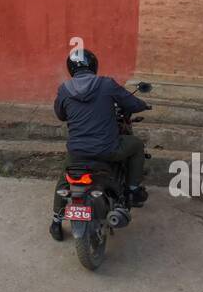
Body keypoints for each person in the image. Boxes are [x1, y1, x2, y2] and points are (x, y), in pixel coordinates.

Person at [49, 48, 148, 242]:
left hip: (78, 151)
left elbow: (61, 115)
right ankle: (134, 189)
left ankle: (55, 222)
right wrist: (141, 105)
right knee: (136, 145)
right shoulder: (106, 84)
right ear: (94, 66)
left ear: (70, 69)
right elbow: (133, 104)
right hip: (108, 149)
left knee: (65, 178)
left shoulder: (64, 89)